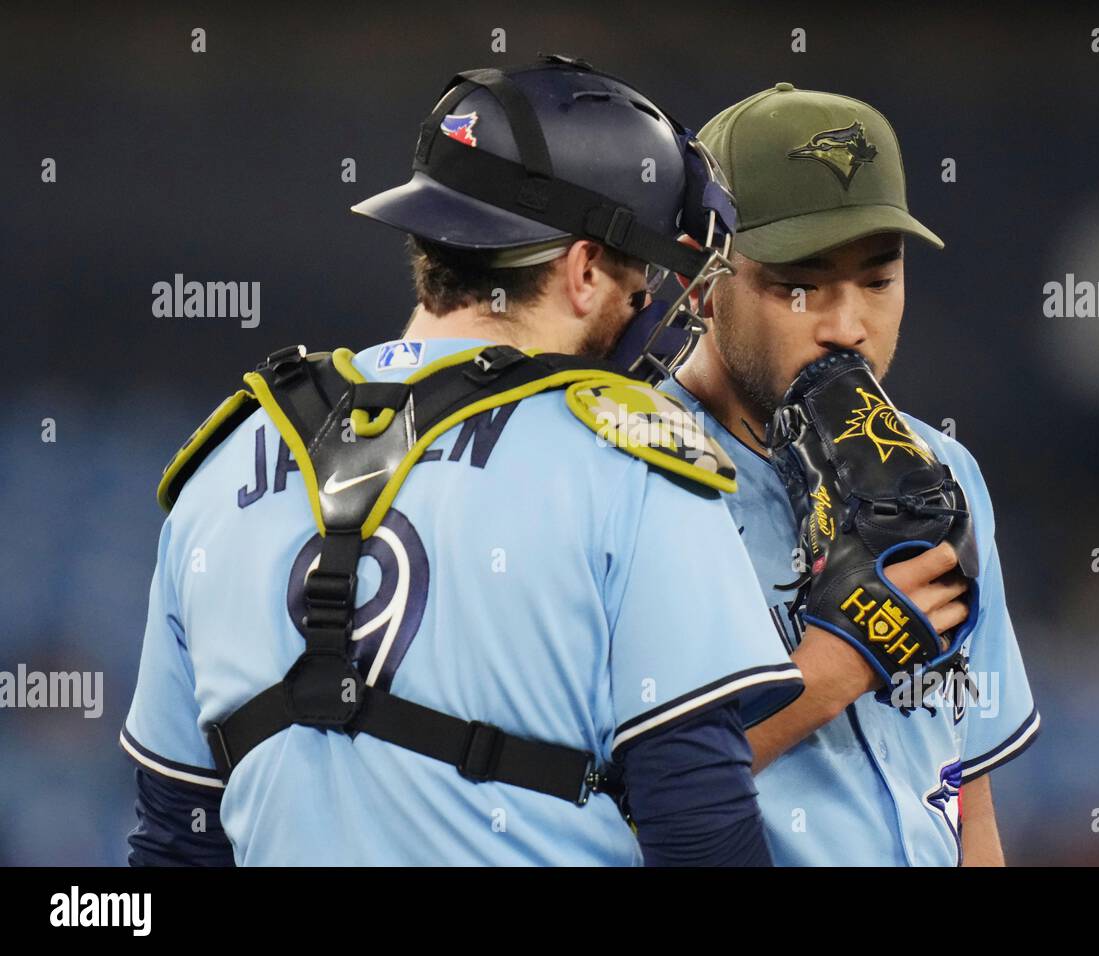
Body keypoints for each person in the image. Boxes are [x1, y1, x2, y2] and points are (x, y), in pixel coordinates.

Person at [120, 56, 803, 866]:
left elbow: (173, 847)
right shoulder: (635, 467)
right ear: (585, 271)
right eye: (640, 275)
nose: (644, 303)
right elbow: (700, 830)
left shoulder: (225, 459)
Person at [660, 83, 1039, 866]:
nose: (846, 327)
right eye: (798, 285)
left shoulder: (943, 471)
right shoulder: (627, 478)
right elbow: (597, 799)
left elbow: (965, 793)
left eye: (877, 280)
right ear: (701, 279)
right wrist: (829, 672)